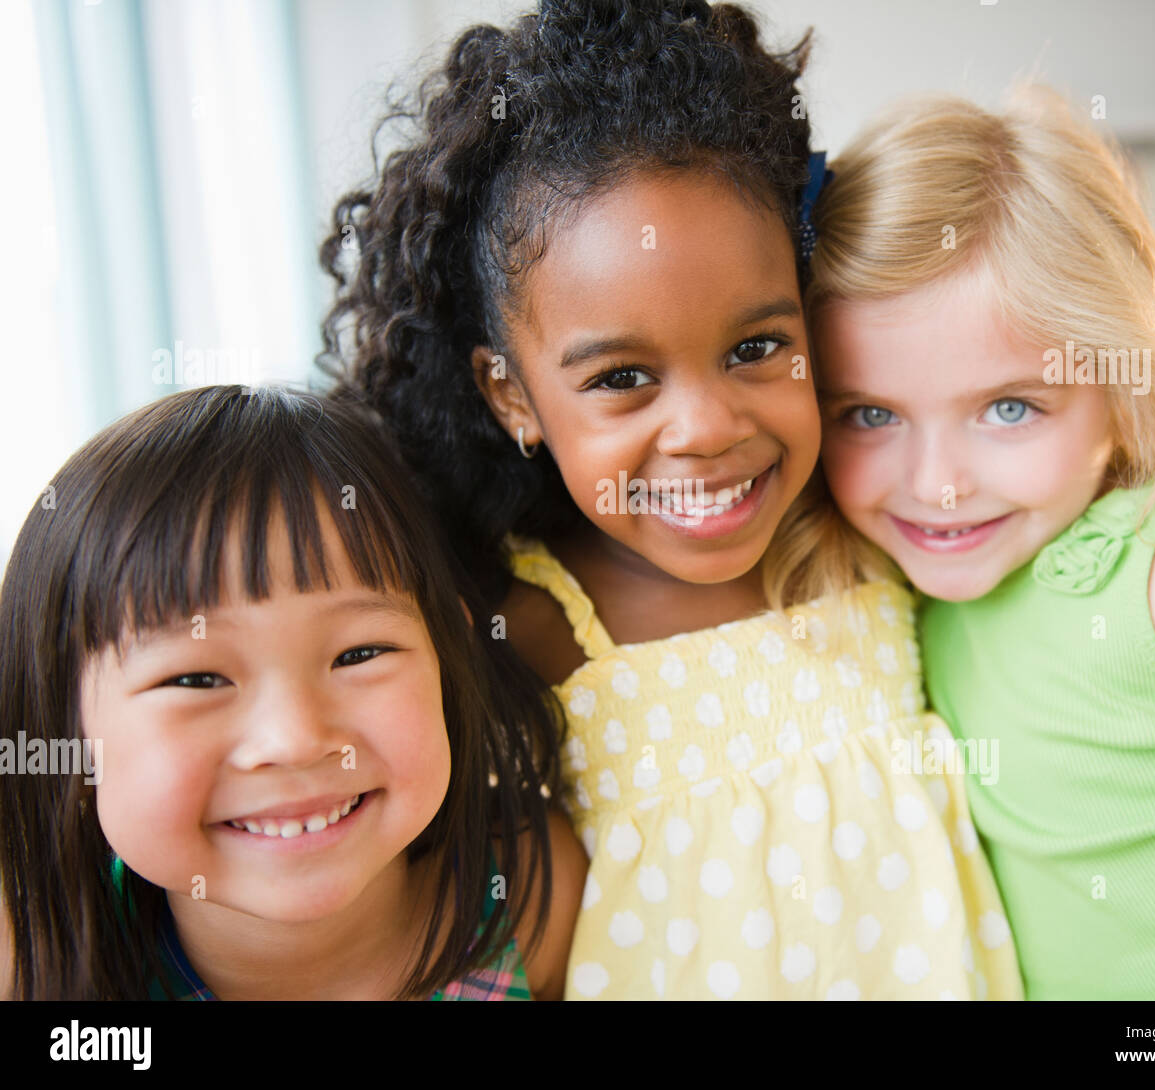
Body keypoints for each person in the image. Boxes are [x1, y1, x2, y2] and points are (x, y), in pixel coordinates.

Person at [322, 0, 1022, 999]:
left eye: (754, 349)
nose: (704, 426)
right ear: (511, 393)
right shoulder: (516, 627)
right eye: (620, 378)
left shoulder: (873, 537)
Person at [805, 86, 1155, 999]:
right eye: (870, 415)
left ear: (1122, 386)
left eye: (1008, 408)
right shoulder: (894, 597)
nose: (938, 483)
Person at [0, 385, 585, 1000]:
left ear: (452, 653)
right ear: (66, 723)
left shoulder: (525, 902)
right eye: (196, 679)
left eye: (358, 654)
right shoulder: (33, 962)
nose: (295, 738)